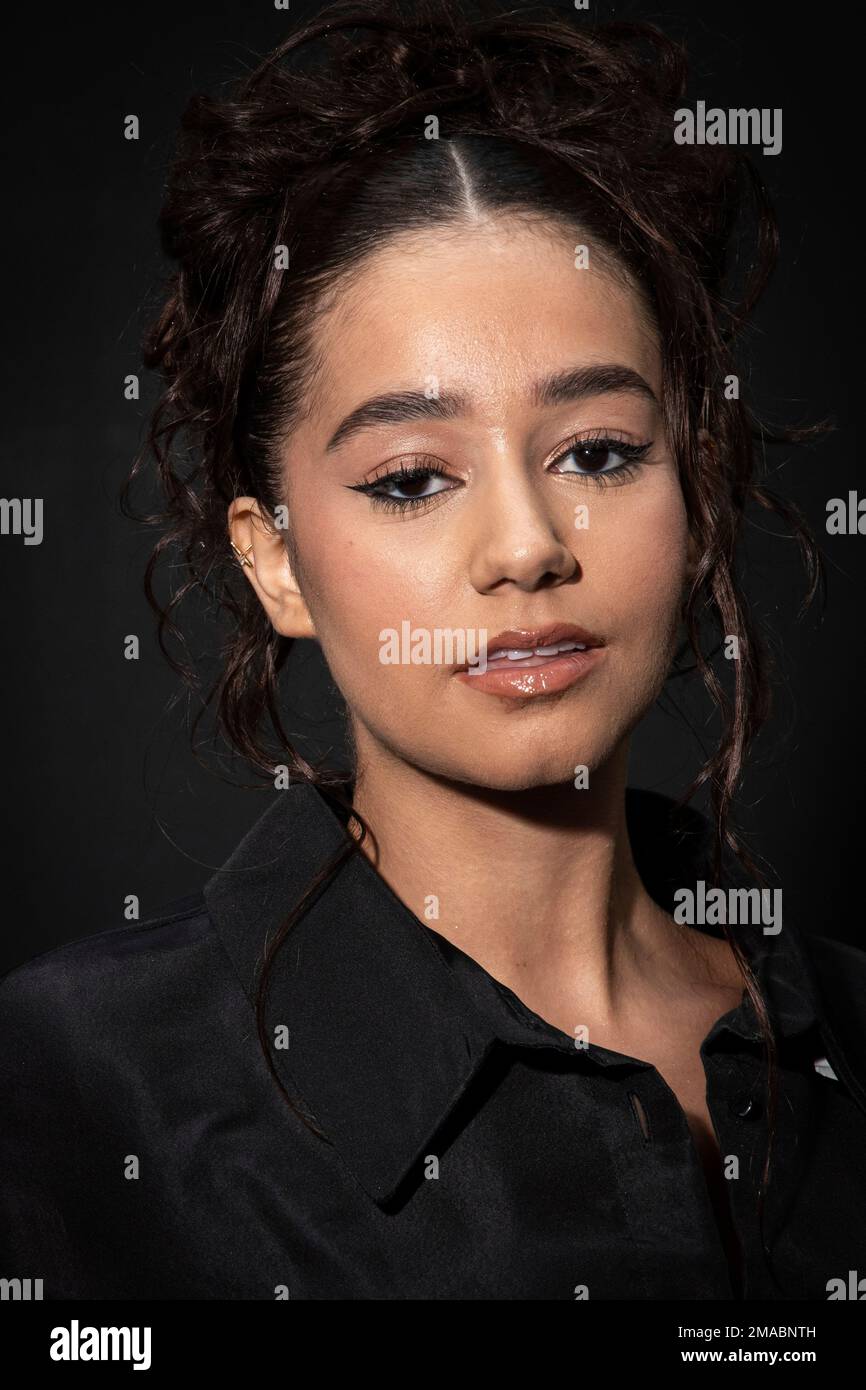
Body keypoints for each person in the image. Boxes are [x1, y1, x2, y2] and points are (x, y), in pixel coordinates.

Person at [2, 0, 865, 1301]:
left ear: (690, 491)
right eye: (410, 478)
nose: (524, 545)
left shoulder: (842, 1023)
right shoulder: (81, 1084)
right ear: (274, 557)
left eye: (597, 452)